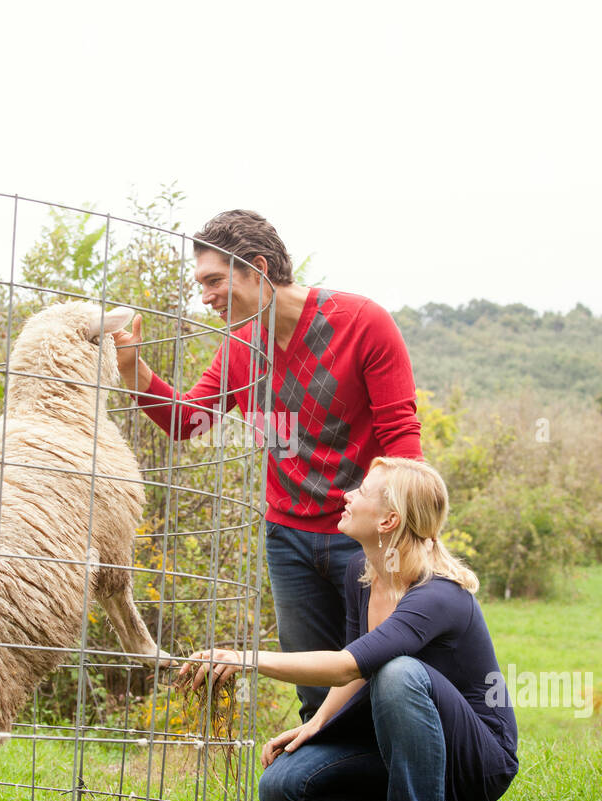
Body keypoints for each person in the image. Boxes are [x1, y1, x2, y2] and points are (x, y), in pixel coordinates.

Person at [115, 210, 422, 724]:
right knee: (313, 692)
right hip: (288, 540)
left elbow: (401, 441)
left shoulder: (362, 323)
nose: (205, 296)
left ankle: (392, 799)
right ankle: (327, 797)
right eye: (201, 284)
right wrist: (133, 368)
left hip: (363, 534)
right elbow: (189, 421)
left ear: (256, 270)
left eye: (214, 280)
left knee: (381, 675)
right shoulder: (240, 349)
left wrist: (404, 534)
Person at [178, 457, 519, 801]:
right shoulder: (362, 571)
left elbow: (348, 664)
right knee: (281, 787)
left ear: (388, 520)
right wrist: (316, 725)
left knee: (399, 673)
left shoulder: (437, 596)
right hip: (397, 742)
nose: (347, 495)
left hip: (474, 761)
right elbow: (358, 666)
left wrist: (244, 658)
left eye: (361, 492)